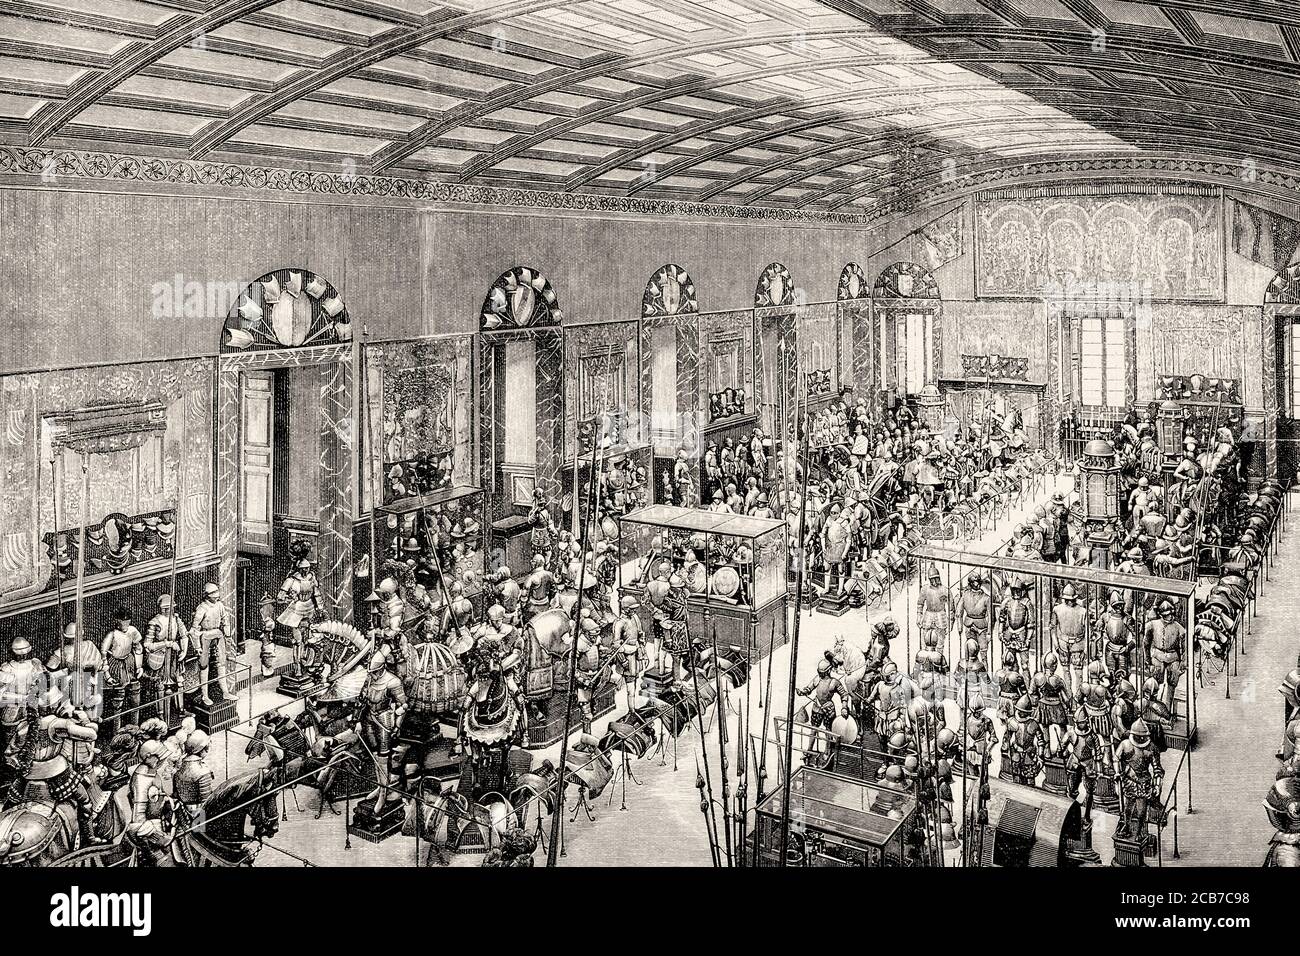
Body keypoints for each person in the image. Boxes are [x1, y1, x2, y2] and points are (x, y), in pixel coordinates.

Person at [1115, 718, 1163, 841]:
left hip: (1144, 781)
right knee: (1128, 807)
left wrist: (1157, 785)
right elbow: (1116, 758)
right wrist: (1118, 772)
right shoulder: (1125, 744)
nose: (1141, 739)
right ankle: (1126, 825)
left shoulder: (1151, 748)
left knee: (1141, 810)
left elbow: (1157, 769)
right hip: (1129, 780)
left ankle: (1140, 830)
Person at [190, 583, 236, 704]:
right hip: (205, 636)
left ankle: (225, 692)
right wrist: (197, 646)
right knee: (204, 665)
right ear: (207, 595)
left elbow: (225, 620)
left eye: (216, 593)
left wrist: (228, 636)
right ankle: (204, 695)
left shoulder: (220, 605)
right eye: (213, 594)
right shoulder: (202, 608)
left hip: (218, 634)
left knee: (221, 663)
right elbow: (194, 629)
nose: (216, 596)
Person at [276, 558, 322, 678]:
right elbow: (280, 597)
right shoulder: (291, 579)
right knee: (297, 642)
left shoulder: (312, 578)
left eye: (307, 568)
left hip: (310, 609)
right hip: (296, 610)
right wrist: (290, 599)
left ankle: (308, 664)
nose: (306, 570)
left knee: (311, 640)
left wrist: (320, 608)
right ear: (299, 568)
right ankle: (297, 668)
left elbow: (316, 593)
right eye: (303, 568)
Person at [142, 594, 185, 721]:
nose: (167, 610)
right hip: (160, 657)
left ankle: (181, 710)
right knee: (160, 686)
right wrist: (167, 644)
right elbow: (147, 645)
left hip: (174, 657)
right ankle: (160, 714)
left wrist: (183, 650)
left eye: (169, 607)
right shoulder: (154, 622)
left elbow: (184, 635)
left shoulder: (176, 619)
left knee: (179, 682)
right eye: (164, 608)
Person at [101, 606, 143, 729]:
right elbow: (103, 654)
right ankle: (117, 730)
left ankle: (135, 727)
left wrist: (139, 666)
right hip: (116, 664)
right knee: (118, 699)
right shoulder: (112, 634)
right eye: (121, 621)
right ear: (116, 621)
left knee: (135, 695)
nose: (124, 624)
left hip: (130, 663)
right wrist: (107, 675)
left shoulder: (133, 631)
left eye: (126, 621)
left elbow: (138, 647)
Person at [1143, 600, 1186, 718]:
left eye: (1171, 614)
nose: (1170, 616)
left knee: (1172, 684)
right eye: (1167, 614)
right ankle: (1155, 710)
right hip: (1157, 656)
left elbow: (1185, 646)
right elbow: (1146, 644)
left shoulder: (1178, 627)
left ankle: (1167, 712)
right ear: (1161, 615)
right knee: (1155, 684)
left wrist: (1183, 662)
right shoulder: (1152, 624)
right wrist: (1147, 661)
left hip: (1173, 657)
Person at [1050, 583, 1088, 698]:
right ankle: (1068, 696)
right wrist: (1056, 644)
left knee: (1078, 672)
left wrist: (1086, 649)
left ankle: (1078, 697)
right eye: (1067, 600)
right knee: (1065, 671)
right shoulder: (1057, 609)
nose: (1069, 602)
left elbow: (1088, 632)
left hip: (1078, 644)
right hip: (1063, 644)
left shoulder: (1083, 611)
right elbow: (1052, 628)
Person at [172, 729, 216, 828]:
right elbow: (206, 801)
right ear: (203, 749)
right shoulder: (203, 771)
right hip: (199, 818)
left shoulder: (178, 769)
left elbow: (175, 794)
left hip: (182, 816)